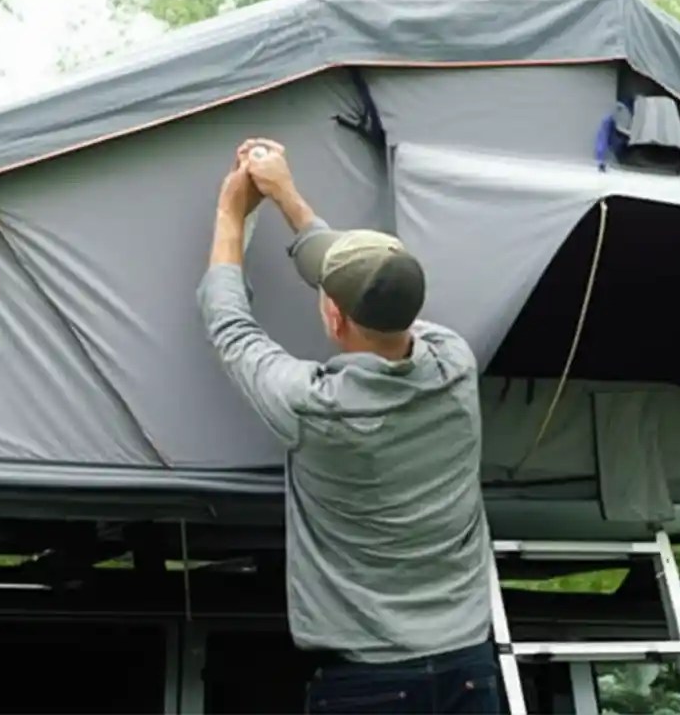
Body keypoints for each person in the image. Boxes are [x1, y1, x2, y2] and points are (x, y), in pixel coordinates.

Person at [198, 138, 501, 714]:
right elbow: (374, 287)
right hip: (468, 668)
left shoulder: (311, 406)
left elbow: (230, 326)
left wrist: (231, 213)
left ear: (333, 315)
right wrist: (288, 196)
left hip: (368, 684)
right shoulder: (454, 362)